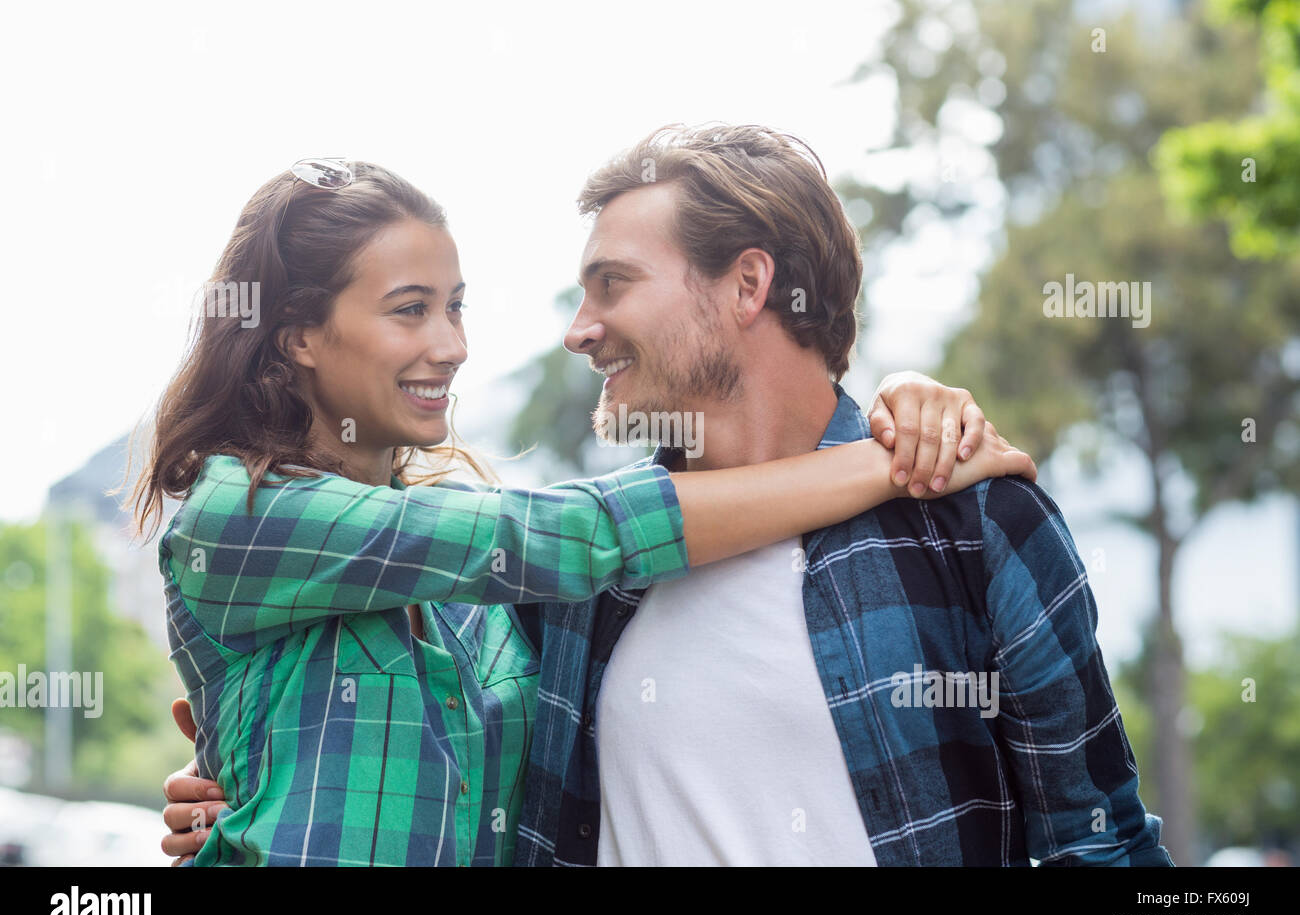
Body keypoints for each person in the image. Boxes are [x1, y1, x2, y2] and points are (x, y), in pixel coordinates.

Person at [144, 155, 1034, 866]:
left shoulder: (477, 587)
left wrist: (909, 401)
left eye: (454, 308)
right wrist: (888, 463)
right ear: (297, 332)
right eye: (410, 310)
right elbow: (572, 535)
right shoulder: (242, 512)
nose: (452, 347)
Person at [498, 123, 1172, 866]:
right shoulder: (577, 566)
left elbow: (1100, 840)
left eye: (612, 283)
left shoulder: (976, 521)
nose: (579, 330)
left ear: (749, 285)